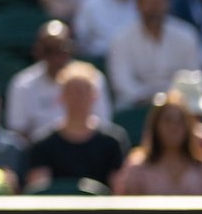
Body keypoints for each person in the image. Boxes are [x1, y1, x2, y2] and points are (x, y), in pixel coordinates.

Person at [106, 0, 202, 108]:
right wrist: (151, 99)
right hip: (137, 107)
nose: (154, 4)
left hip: (179, 107)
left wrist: (170, 99)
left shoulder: (187, 35)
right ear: (138, 3)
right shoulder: (120, 38)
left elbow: (194, 77)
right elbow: (122, 83)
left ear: (167, 2)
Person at [24, 62, 129, 190]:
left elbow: (119, 188)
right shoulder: (43, 142)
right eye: (72, 91)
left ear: (94, 96)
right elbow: (39, 188)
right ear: (61, 96)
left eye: (83, 91)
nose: (78, 98)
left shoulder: (113, 141)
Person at [116, 90, 202, 195]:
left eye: (180, 121)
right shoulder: (138, 169)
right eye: (167, 120)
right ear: (156, 125)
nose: (173, 127)